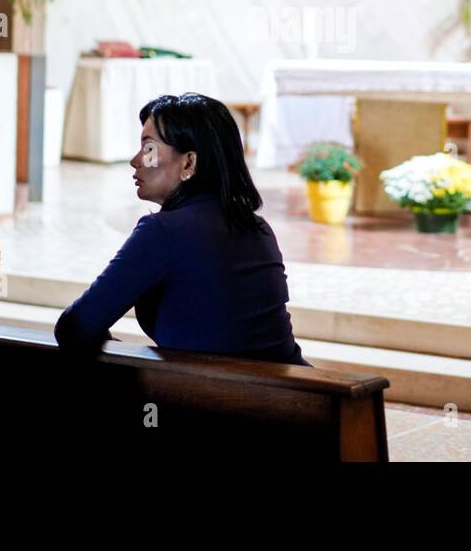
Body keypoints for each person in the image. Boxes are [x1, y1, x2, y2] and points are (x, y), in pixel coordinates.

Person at [56, 92, 309, 366]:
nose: (136, 160)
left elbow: (75, 326)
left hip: (214, 402)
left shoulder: (163, 232)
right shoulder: (258, 227)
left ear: (189, 162)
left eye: (149, 149)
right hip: (294, 396)